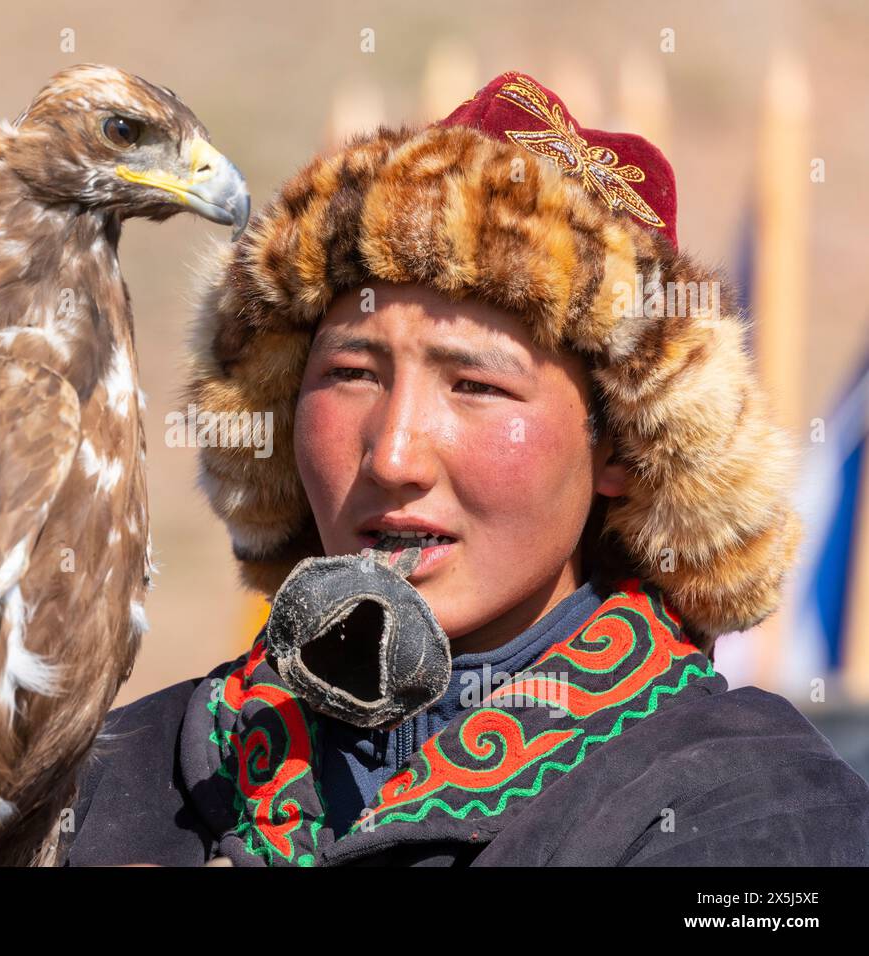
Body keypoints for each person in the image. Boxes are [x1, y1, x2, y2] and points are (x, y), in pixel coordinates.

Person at [57, 71, 869, 866]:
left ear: (621, 447)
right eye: (350, 374)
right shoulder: (111, 777)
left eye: (477, 385)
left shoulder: (759, 806)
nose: (394, 455)